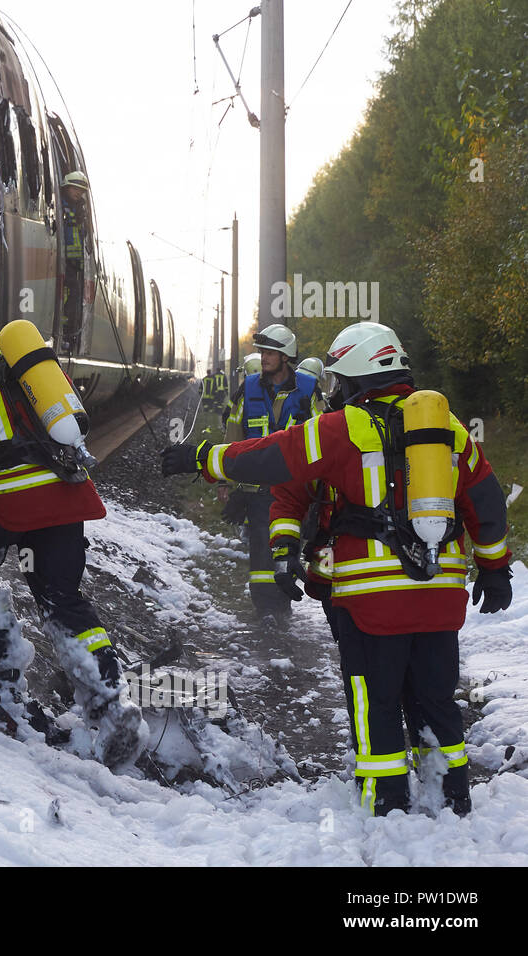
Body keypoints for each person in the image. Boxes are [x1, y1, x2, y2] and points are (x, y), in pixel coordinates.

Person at [162, 321, 512, 816]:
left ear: (354, 378)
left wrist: (203, 457)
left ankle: (385, 803)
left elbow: (271, 457)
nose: (335, 391)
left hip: (372, 601)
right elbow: (486, 502)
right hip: (440, 595)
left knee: (376, 701)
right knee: (436, 697)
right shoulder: (449, 429)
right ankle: (451, 795)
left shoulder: (344, 427)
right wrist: (495, 568)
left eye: (339, 381)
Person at [0, 284, 147, 767]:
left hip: (8, 497)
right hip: (65, 492)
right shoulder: (19, 362)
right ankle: (109, 702)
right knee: (62, 595)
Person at [218, 324, 319, 619]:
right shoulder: (247, 389)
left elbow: (326, 438)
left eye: (271, 352)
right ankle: (266, 614)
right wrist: (225, 479)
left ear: (285, 356)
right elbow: (232, 436)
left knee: (286, 553)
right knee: (261, 557)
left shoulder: (308, 391)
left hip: (296, 491)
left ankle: (282, 608)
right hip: (258, 491)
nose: (263, 357)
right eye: (262, 351)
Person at [59, 171, 90, 354]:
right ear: (66, 187)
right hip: (61, 261)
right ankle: (64, 333)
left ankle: (68, 334)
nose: (78, 193)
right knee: (67, 296)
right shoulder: (61, 206)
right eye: (75, 188)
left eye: (81, 190)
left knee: (74, 297)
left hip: (73, 264)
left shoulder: (79, 210)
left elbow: (80, 235)